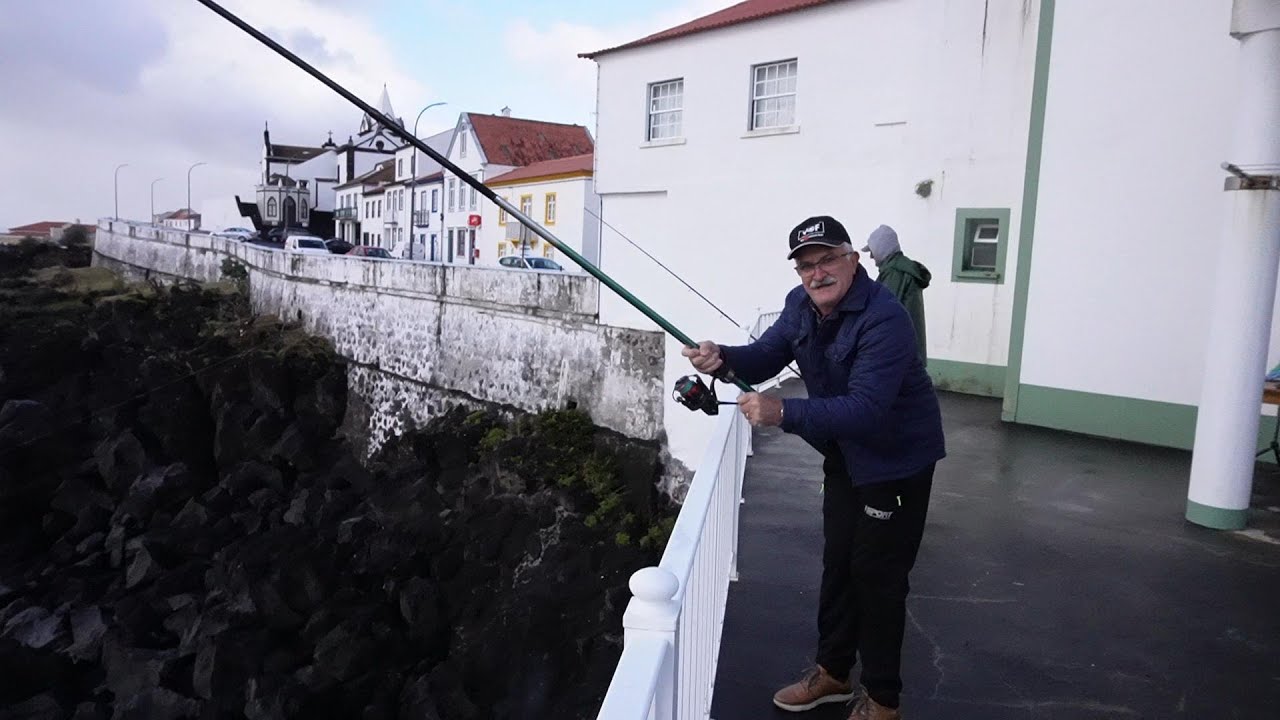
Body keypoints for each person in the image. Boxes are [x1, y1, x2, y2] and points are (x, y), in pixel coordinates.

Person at [681, 215, 945, 720]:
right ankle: (833, 674)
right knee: (839, 563)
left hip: (895, 462)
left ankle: (885, 700)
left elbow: (868, 408)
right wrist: (723, 358)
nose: (816, 274)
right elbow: (763, 356)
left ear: (852, 259)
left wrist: (783, 412)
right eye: (806, 265)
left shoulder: (885, 318)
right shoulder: (800, 305)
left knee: (878, 576)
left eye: (827, 260)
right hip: (845, 455)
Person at [862, 224, 930, 366]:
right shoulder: (901, 269)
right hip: (908, 347)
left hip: (899, 351)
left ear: (882, 248)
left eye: (872, 251)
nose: (871, 256)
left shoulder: (895, 272)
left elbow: (882, 313)